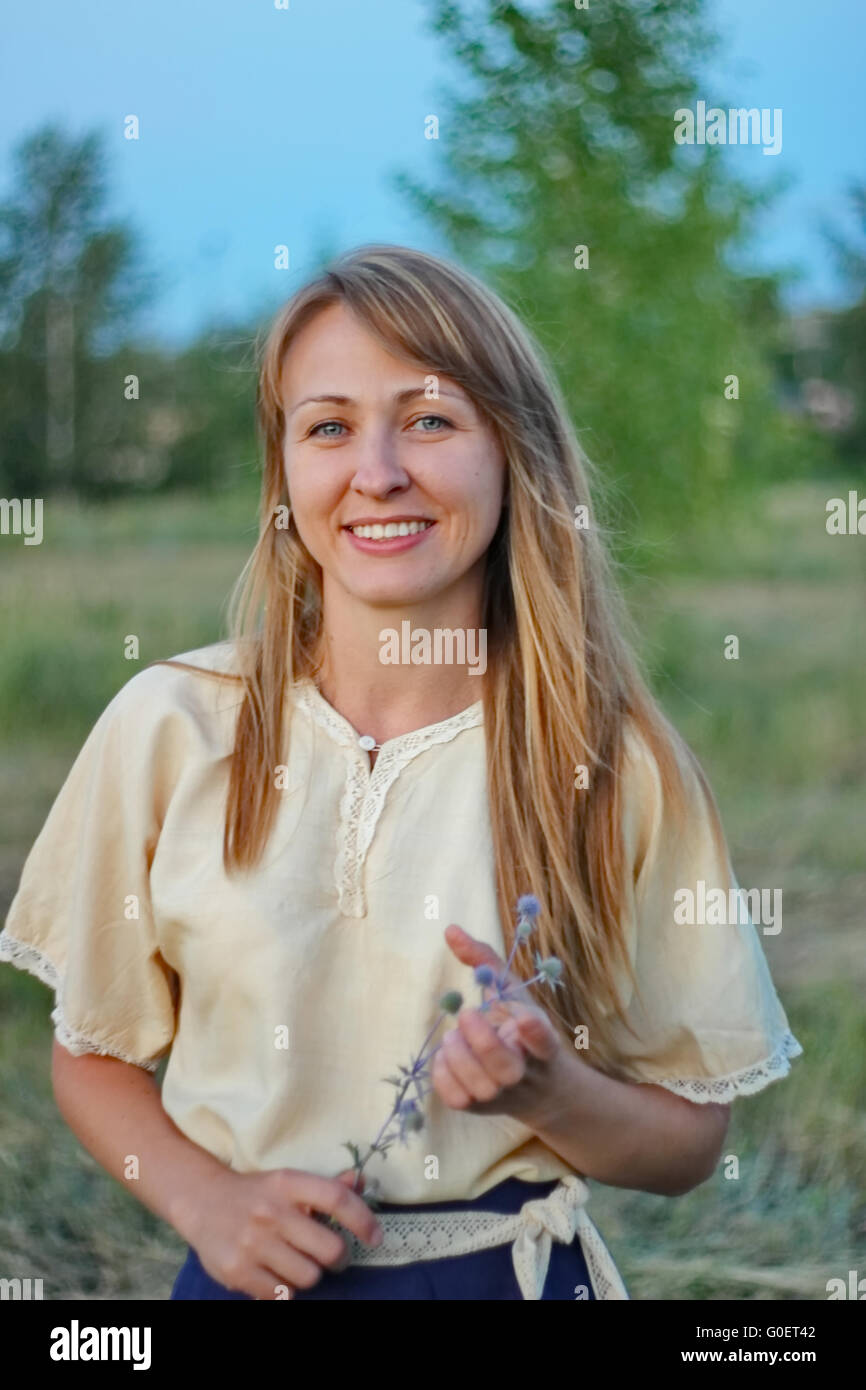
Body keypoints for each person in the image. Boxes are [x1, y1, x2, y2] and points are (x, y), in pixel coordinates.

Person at [0, 244, 802, 1301]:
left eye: (429, 419)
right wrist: (206, 1201)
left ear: (513, 451)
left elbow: (690, 1139)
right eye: (327, 426)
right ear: (283, 469)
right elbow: (93, 1055)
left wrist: (550, 1091)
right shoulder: (173, 726)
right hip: (247, 1280)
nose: (376, 472)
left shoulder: (613, 763)